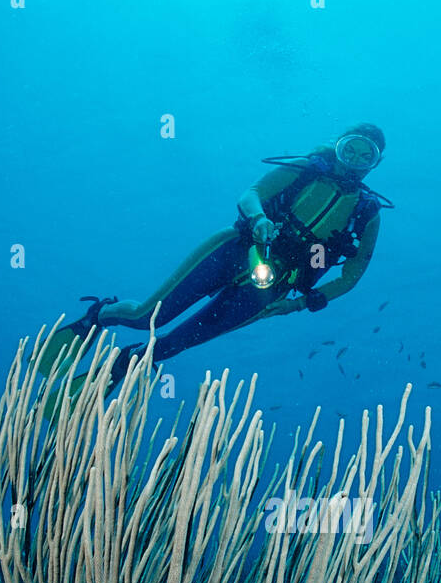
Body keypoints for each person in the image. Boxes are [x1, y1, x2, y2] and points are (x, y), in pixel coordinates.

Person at [43, 123, 391, 392]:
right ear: (338, 146)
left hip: (271, 290)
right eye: (351, 149)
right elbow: (252, 193)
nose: (355, 161)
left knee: (171, 345)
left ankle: (124, 363)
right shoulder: (306, 169)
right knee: (145, 316)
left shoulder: (367, 212)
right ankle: (98, 316)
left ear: (377, 162)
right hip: (234, 250)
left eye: (367, 156)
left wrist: (298, 305)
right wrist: (259, 219)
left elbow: (352, 276)